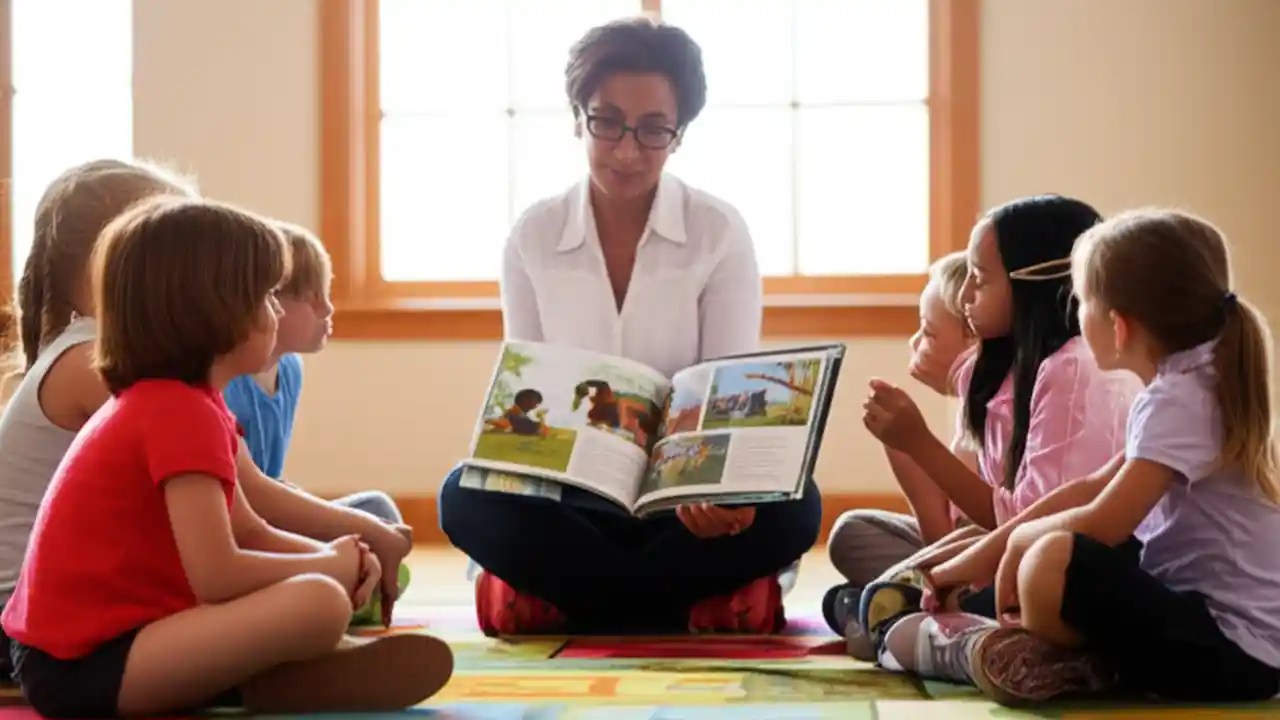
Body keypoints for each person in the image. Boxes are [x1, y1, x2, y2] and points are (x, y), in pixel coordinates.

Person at [439, 16, 821, 636]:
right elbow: (529, 395)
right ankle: (661, 604)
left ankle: (591, 602)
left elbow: (726, 392)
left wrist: (712, 490)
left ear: (679, 135)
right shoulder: (533, 236)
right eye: (607, 121)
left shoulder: (718, 231)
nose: (626, 149)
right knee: (462, 493)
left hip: (679, 508)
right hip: (573, 499)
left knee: (798, 505)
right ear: (577, 117)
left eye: (652, 130)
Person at [1, 196, 452, 717]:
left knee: (318, 592)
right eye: (266, 297)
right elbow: (216, 574)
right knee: (317, 601)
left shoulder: (191, 404)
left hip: (112, 644)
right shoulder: (174, 413)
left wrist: (333, 557)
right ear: (213, 312)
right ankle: (284, 673)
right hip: (82, 667)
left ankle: (280, 680)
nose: (276, 311)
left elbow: (251, 530)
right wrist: (328, 565)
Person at [916, 209, 1280, 705]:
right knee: (1045, 553)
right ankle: (1071, 656)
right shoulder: (1186, 381)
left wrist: (1019, 545)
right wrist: (980, 555)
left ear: (1119, 326)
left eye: (1082, 301)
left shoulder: (1181, 397)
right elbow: (1088, 491)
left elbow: (1104, 521)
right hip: (1213, 629)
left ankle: (1083, 666)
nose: (1076, 313)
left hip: (1236, 654)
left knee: (1050, 561)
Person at [832, 196, 1141, 659]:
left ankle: (924, 621)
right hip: (1015, 548)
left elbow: (1026, 525)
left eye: (979, 280)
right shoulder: (1013, 373)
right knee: (857, 540)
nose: (965, 297)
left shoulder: (1073, 371)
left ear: (1029, 284)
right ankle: (908, 612)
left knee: (909, 607)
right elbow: (989, 523)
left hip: (1054, 562)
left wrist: (917, 444)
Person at [824, 251, 976, 633]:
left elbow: (946, 541)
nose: (914, 342)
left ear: (974, 338)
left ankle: (893, 607)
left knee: (852, 591)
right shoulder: (970, 407)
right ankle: (888, 601)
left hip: (978, 565)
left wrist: (908, 452)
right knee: (851, 531)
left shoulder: (994, 417)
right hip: (956, 551)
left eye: (927, 332)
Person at [222, 221, 404, 525]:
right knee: (371, 522)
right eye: (311, 296)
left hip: (269, 516)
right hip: (240, 525)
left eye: (327, 293)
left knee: (377, 510)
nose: (328, 309)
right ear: (267, 300)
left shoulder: (290, 368)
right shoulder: (227, 381)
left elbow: (271, 478)